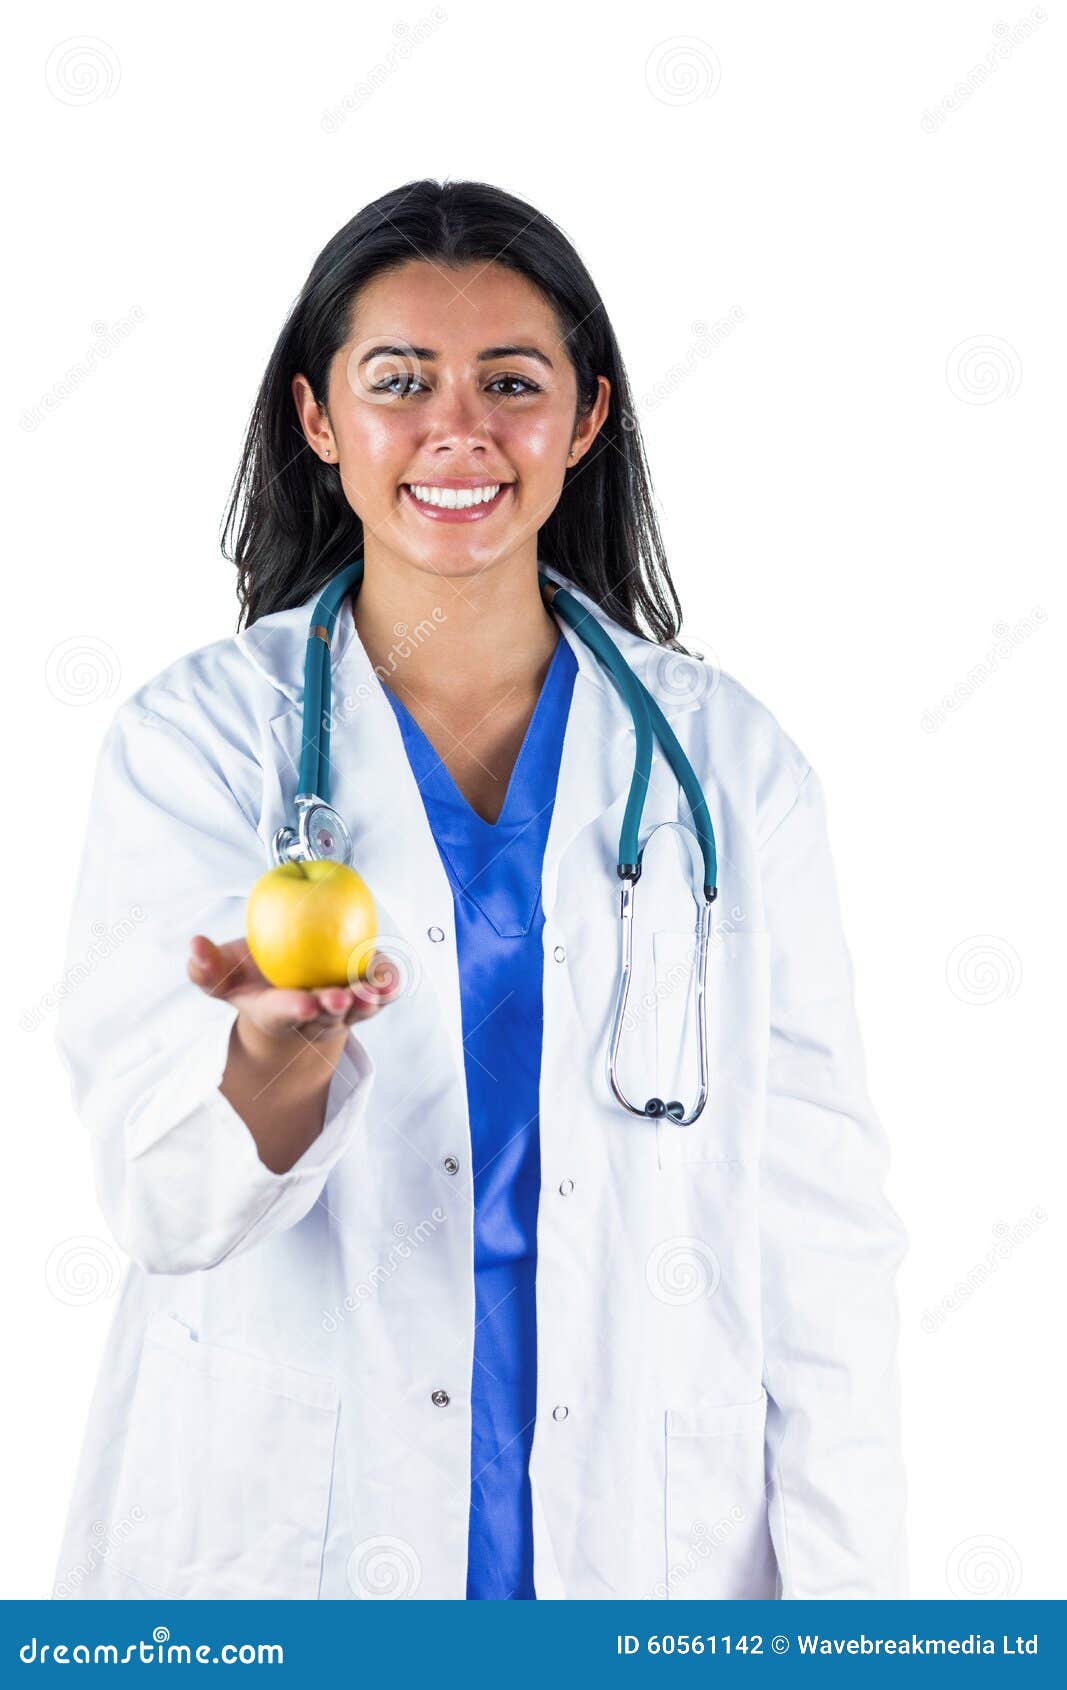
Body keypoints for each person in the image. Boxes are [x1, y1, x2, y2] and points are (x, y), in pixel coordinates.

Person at [52, 178, 907, 1602]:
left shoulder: (726, 765)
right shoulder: (196, 744)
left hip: (648, 1540)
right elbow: (166, 1204)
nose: (458, 429)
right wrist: (276, 1059)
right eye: (399, 381)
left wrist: (855, 1611)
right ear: (318, 421)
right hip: (295, 1535)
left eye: (513, 381)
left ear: (585, 419)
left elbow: (822, 1229)